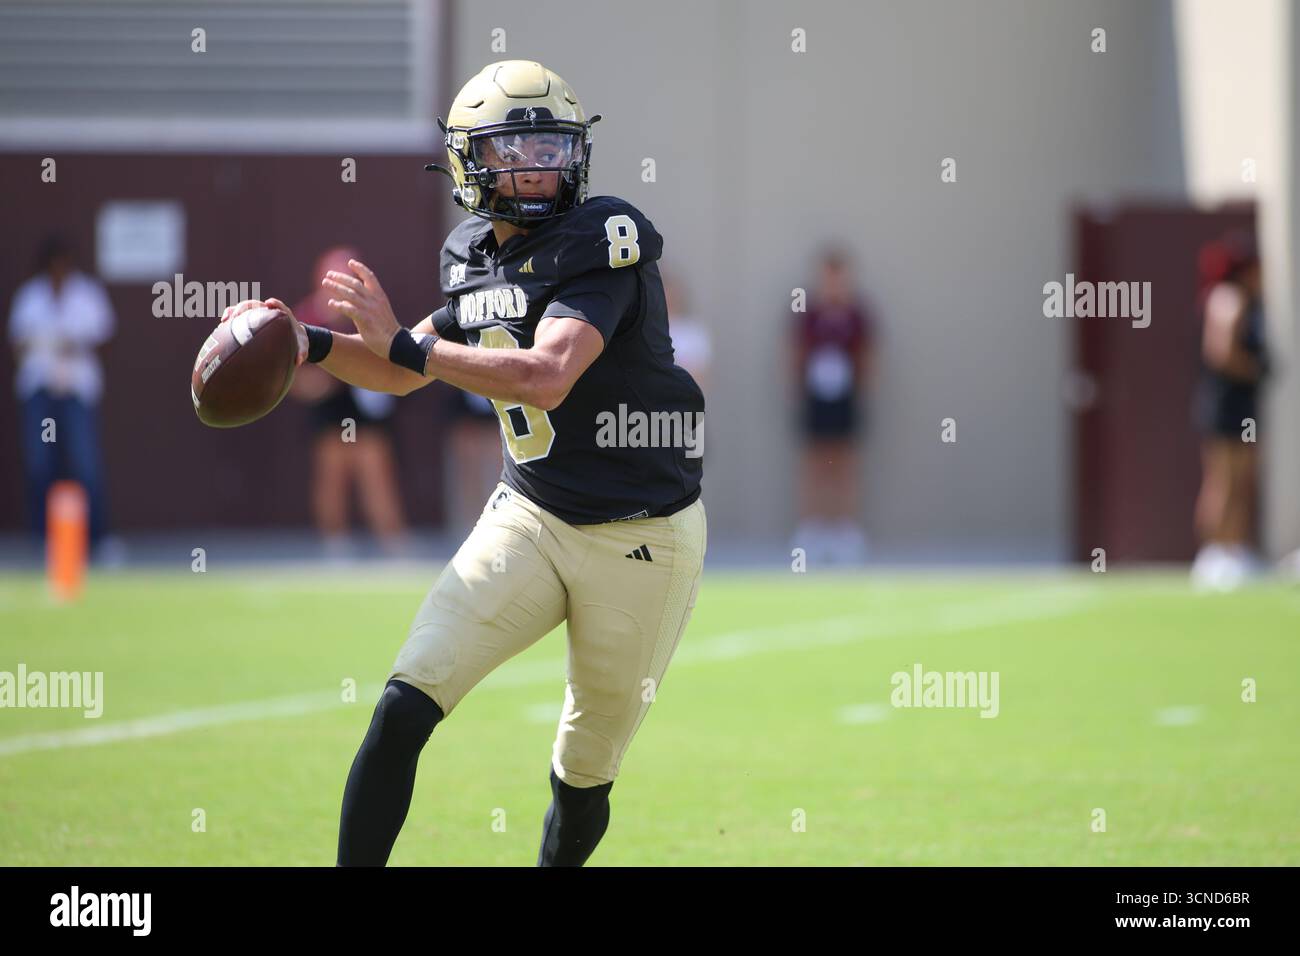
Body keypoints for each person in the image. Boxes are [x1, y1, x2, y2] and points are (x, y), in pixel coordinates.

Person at [219, 60, 705, 866]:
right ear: (469, 162)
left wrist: (411, 345)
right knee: (404, 704)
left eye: (553, 144)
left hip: (640, 537)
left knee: (582, 773)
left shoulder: (602, 237)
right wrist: (306, 342)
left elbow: (548, 375)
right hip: (532, 516)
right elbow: (397, 366)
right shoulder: (472, 253)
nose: (541, 164)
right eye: (518, 147)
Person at [289, 246, 410, 560]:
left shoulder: (368, 314)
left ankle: (392, 542)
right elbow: (296, 379)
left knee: (376, 473)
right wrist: (322, 383)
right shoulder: (308, 317)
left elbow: (391, 353)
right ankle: (335, 544)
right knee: (332, 475)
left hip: (366, 409)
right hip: (331, 413)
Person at [8, 235, 120, 564]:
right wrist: (41, 344)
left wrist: (76, 345)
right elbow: (17, 344)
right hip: (40, 393)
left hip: (75, 392)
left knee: (85, 465)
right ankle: (44, 540)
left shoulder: (87, 295)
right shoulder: (30, 297)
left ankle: (97, 540)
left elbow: (105, 339)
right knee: (40, 464)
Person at [1190, 230, 1267, 590]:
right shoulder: (1229, 299)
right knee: (1223, 479)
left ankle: (1233, 550)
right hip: (1227, 405)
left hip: (1242, 404)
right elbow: (1222, 353)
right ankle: (1213, 554)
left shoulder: (1247, 301)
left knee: (1241, 479)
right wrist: (1255, 367)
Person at [791, 247, 874, 564]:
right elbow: (794, 352)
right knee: (814, 463)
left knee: (844, 464)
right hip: (815, 396)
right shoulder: (808, 314)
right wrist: (797, 388)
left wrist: (862, 390)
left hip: (845, 397)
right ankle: (811, 531)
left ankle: (845, 532)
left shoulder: (857, 315)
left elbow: (868, 356)